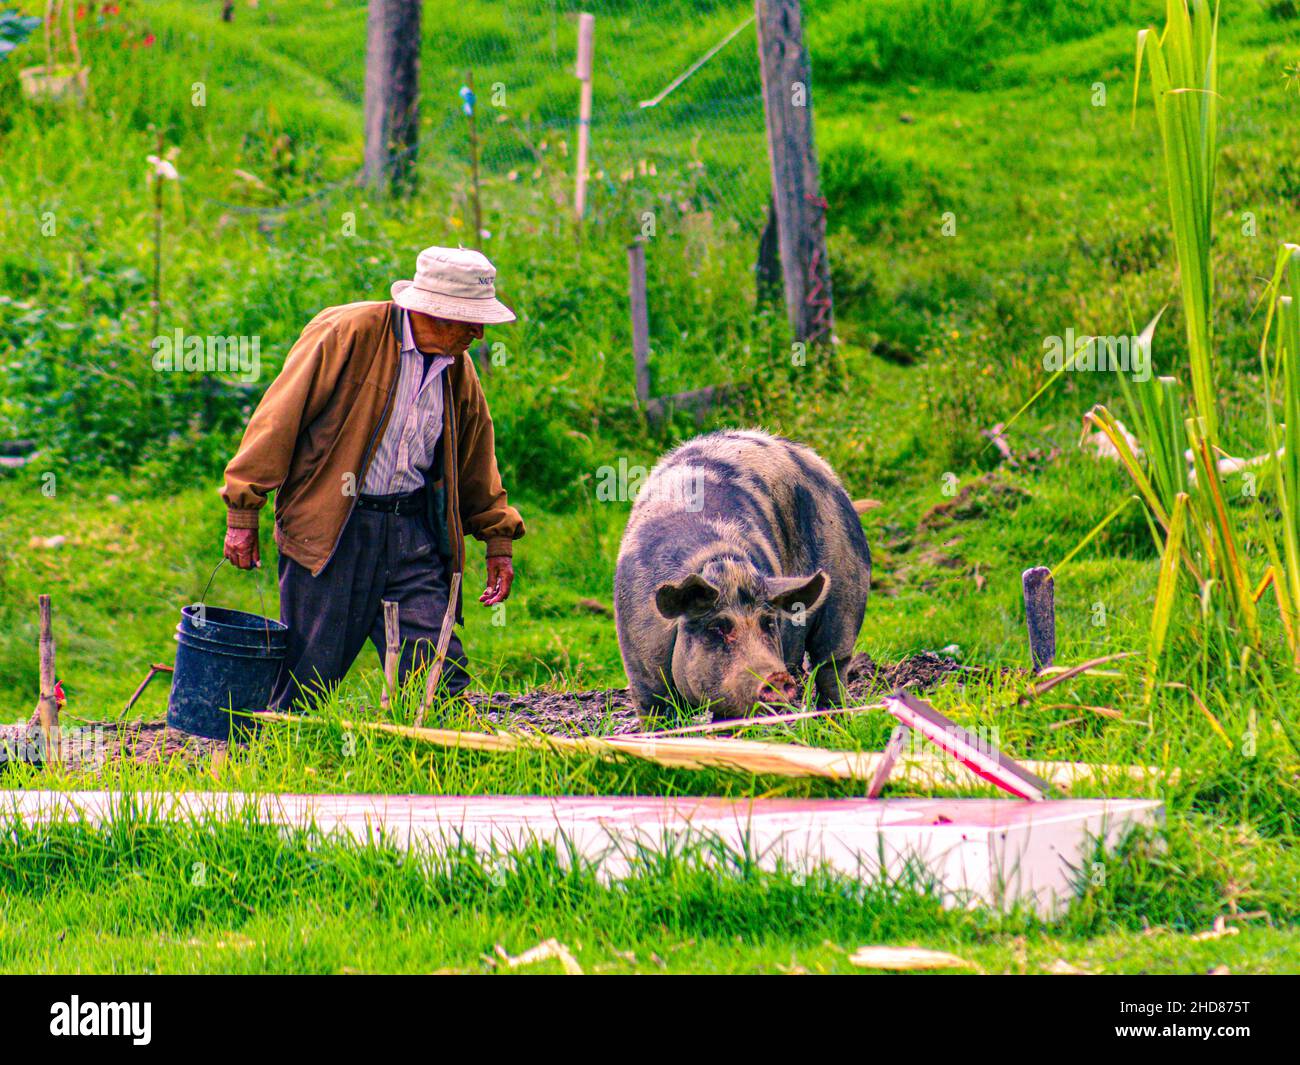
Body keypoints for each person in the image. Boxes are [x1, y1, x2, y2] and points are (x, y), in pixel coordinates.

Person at [220, 245, 524, 710]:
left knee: (436, 672)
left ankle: (434, 768)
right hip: (333, 530)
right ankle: (266, 762)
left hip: (411, 534)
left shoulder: (456, 370)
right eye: (471, 319)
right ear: (437, 313)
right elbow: (276, 421)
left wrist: (496, 539)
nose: (479, 333)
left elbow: (476, 456)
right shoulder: (346, 333)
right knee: (307, 677)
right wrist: (243, 512)